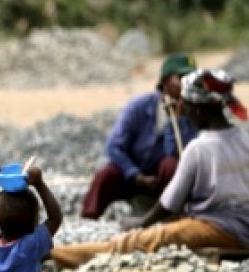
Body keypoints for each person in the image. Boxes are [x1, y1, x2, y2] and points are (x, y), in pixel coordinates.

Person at [51, 69, 249, 270]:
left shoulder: (199, 148)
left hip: (220, 230)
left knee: (146, 239)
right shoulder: (246, 140)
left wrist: (142, 223)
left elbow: (168, 203)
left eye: (186, 107)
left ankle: (59, 255)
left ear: (198, 110)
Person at [80, 53, 199, 219]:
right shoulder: (139, 106)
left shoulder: (193, 115)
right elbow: (114, 146)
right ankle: (88, 219)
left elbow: (177, 153)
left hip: (162, 182)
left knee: (171, 165)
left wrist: (177, 120)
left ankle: (172, 217)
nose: (187, 85)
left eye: (191, 80)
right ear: (164, 81)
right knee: (106, 174)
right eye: (181, 78)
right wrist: (135, 174)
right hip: (131, 176)